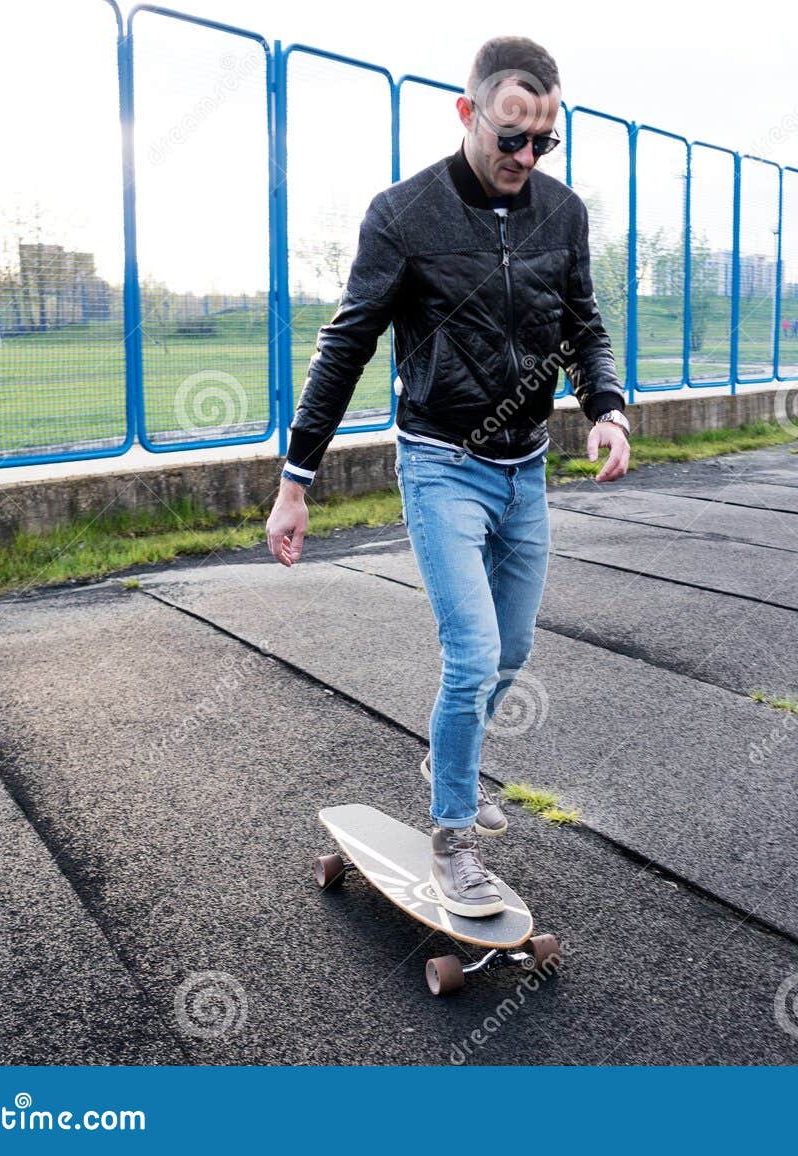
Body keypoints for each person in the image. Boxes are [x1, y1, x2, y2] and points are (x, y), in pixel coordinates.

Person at [265, 36, 630, 918]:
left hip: (528, 470)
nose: (527, 158)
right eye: (512, 138)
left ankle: (447, 757)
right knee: (469, 656)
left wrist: (608, 407)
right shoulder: (404, 213)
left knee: (511, 651)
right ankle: (454, 835)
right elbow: (347, 344)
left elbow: (583, 325)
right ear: (468, 114)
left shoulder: (564, 213)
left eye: (544, 142)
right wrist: (296, 478)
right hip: (441, 467)